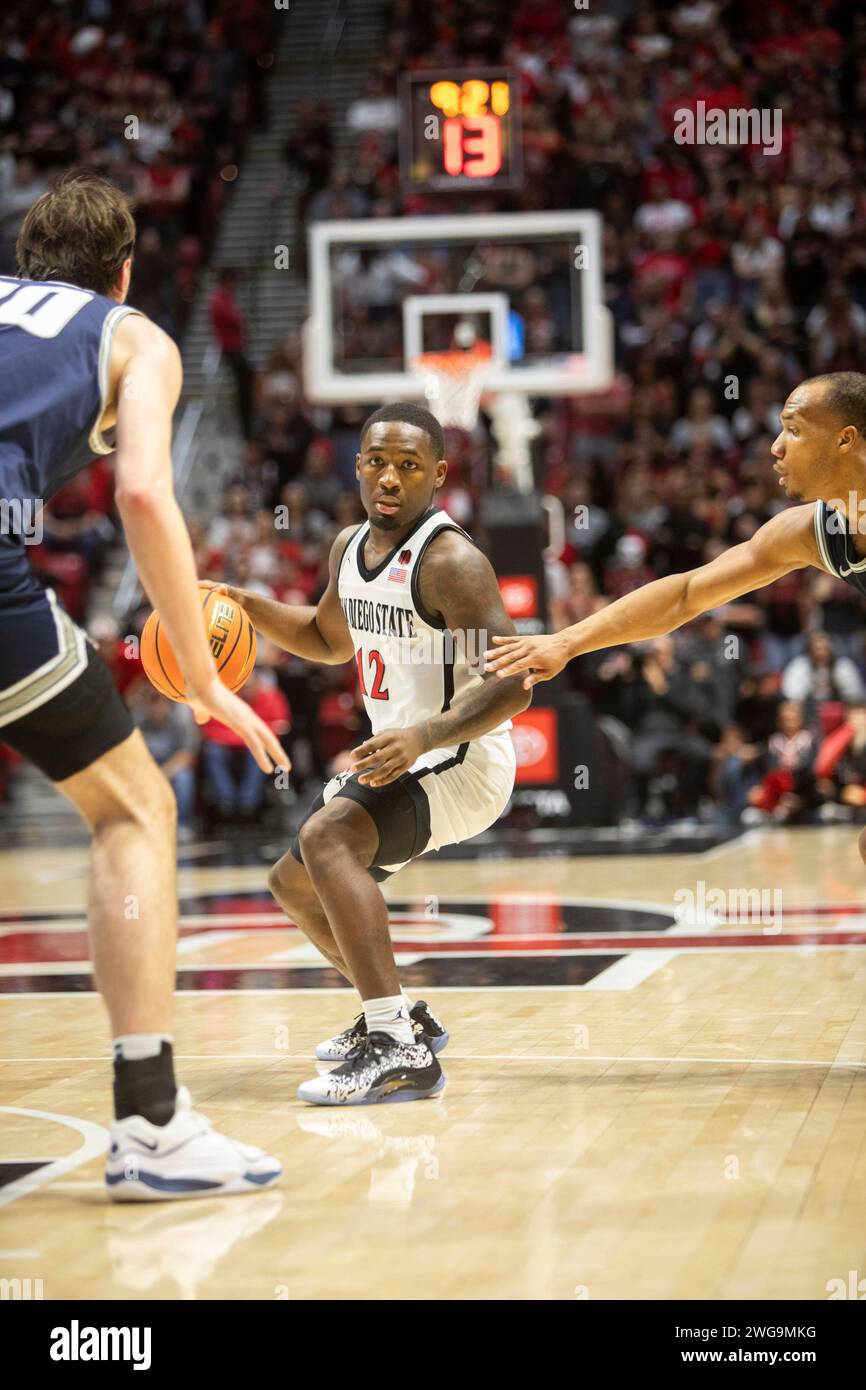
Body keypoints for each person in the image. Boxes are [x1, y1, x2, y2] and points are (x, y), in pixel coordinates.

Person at [0, 172, 287, 1199]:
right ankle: (151, 1121)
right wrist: (204, 679)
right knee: (136, 807)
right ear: (122, 272)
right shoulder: (135, 336)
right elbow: (144, 493)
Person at [207, 403, 531, 1106]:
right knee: (291, 885)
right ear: (357, 466)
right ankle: (402, 1016)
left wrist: (422, 736)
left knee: (327, 840)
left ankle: (397, 1049)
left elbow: (511, 687)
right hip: (407, 757)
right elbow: (328, 639)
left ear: (438, 476)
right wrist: (243, 604)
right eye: (377, 462)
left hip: (463, 761)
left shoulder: (452, 564)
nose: (389, 477)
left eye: (409, 466)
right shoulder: (350, 547)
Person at [485, 371, 866, 866]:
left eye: (793, 429)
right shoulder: (813, 533)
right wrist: (568, 642)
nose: (775, 447)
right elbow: (686, 594)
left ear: (845, 439)